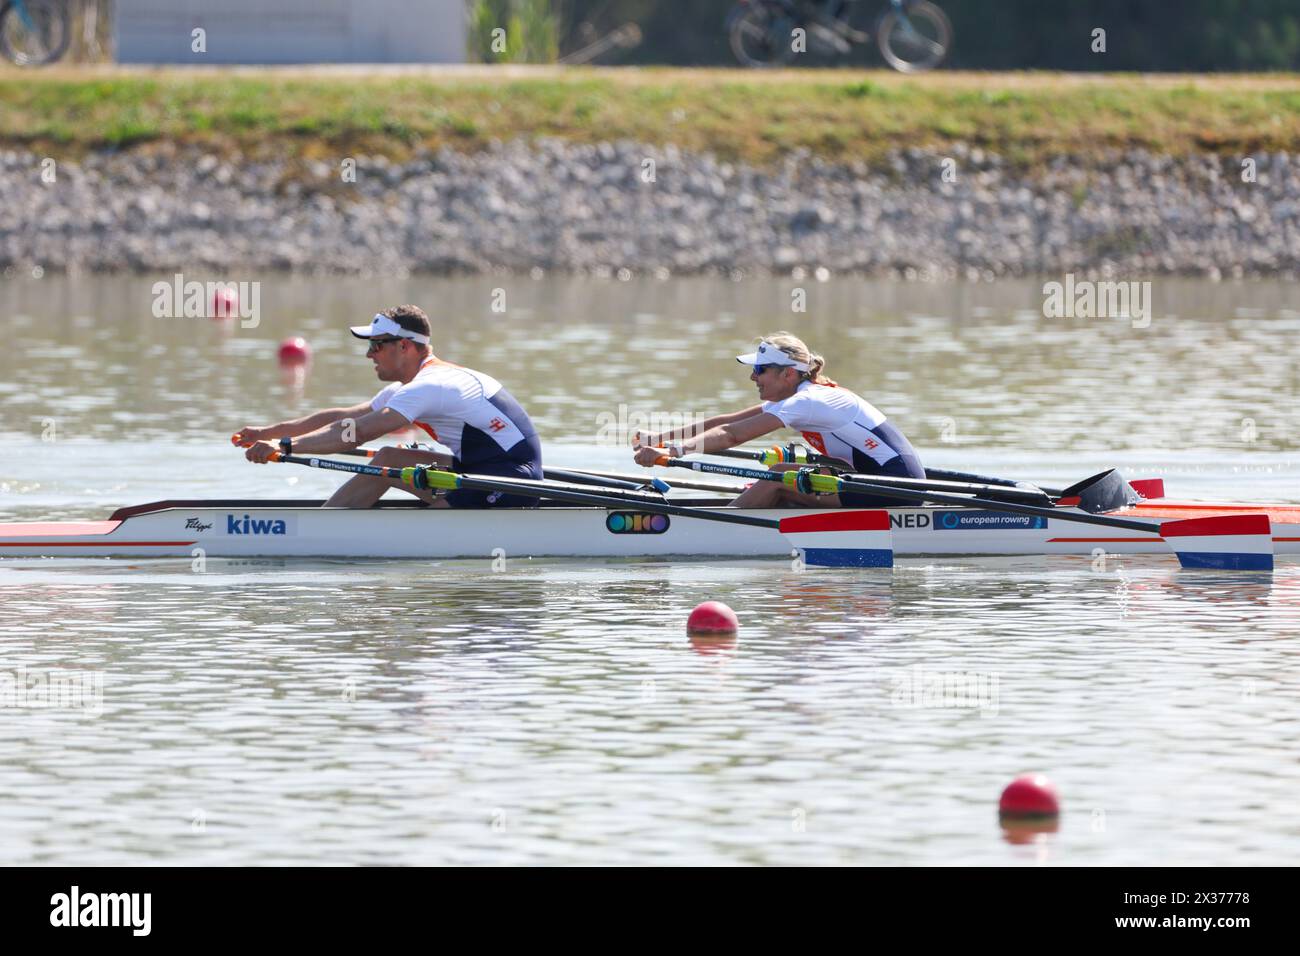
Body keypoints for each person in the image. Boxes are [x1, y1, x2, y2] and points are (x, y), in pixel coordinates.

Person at [235, 305, 543, 508]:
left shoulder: (430, 385)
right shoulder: (411, 386)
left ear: (404, 346)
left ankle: (317, 533)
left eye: (376, 345)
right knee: (390, 458)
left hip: (510, 481)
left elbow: (356, 433)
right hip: (476, 469)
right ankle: (324, 526)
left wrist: (285, 446)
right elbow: (344, 418)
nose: (370, 354)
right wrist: (268, 432)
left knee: (425, 526)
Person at [632, 332, 923, 508]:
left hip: (894, 487)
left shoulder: (806, 401)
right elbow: (726, 420)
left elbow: (732, 435)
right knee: (783, 479)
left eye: (760, 369)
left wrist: (672, 453)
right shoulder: (801, 396)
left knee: (778, 476)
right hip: (876, 480)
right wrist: (660, 438)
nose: (753, 377)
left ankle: (716, 529)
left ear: (788, 374)